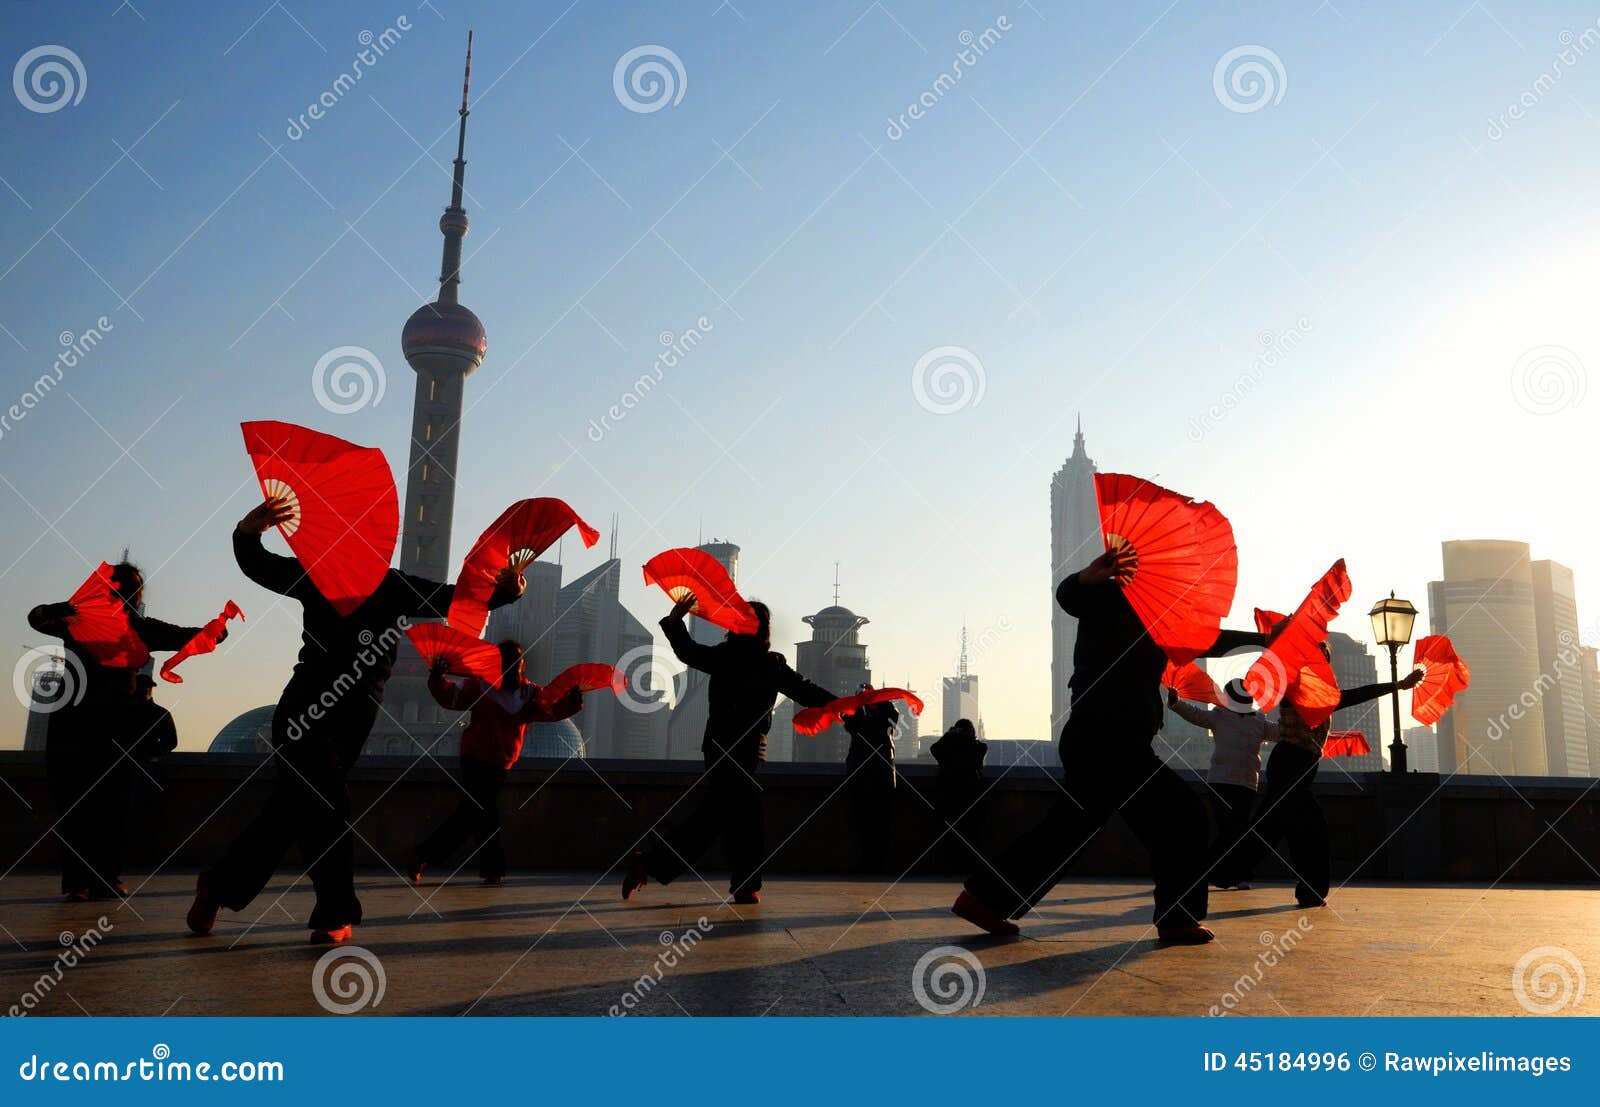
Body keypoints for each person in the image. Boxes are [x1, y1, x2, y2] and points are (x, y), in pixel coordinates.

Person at [187, 492, 523, 944]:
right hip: (306, 709)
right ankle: (334, 909)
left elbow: (455, 598)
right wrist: (249, 530)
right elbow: (259, 565)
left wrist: (504, 591)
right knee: (328, 803)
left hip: (355, 716)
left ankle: (220, 885)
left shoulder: (393, 585)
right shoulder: (317, 574)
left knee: (287, 812)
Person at [952, 550, 1266, 943]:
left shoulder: (1159, 618)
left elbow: (1206, 639)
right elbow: (1069, 597)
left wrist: (1265, 639)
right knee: (1182, 815)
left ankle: (983, 899)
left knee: (1070, 829)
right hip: (1109, 739)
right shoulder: (1113, 595)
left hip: (1104, 740)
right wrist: (1088, 576)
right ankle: (1177, 918)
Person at [623, 595, 834, 905]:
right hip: (744, 752)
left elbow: (688, 652)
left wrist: (675, 620)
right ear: (765, 630)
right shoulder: (770, 664)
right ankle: (742, 884)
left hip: (720, 749)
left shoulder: (726, 656)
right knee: (743, 817)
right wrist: (842, 705)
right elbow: (805, 690)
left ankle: (653, 863)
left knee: (716, 817)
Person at [28, 562, 207, 902]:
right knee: (77, 804)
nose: (132, 593)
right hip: (75, 724)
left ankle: (106, 877)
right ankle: (80, 881)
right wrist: (55, 610)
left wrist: (213, 630)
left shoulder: (141, 627)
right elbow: (36, 618)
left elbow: (184, 635)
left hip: (119, 726)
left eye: (136, 588)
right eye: (126, 586)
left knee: (115, 804)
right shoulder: (77, 619)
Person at [1217, 646, 1422, 908]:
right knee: (1304, 827)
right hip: (1289, 763)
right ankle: (1298, 888)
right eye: (1317, 659)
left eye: (1325, 660)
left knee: (1280, 825)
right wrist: (1396, 685)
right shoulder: (1294, 687)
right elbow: (1347, 697)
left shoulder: (1318, 692)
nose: (1322, 664)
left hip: (1301, 764)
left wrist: (1398, 685)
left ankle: (1227, 872)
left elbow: (1347, 697)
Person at [408, 641, 583, 886]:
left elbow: (552, 710)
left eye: (516, 662)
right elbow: (451, 698)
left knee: (473, 812)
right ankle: (490, 869)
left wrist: (573, 702)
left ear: (522, 667)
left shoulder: (530, 694)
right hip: (475, 757)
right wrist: (437, 678)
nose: (512, 667)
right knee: (483, 811)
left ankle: (423, 855)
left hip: (500, 763)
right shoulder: (480, 686)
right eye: (508, 661)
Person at [1165, 679, 1279, 890]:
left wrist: (1302, 725)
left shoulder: (1256, 721)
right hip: (1225, 783)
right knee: (1231, 830)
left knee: (1236, 831)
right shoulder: (1226, 717)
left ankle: (1218, 874)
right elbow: (1196, 715)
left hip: (1240, 784)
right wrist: (1177, 703)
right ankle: (1231, 875)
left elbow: (1280, 732)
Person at [842, 686, 898, 873]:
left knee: (881, 822)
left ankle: (879, 863)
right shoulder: (857, 715)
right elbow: (851, 726)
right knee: (863, 823)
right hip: (861, 773)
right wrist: (858, 708)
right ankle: (867, 862)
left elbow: (890, 722)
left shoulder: (887, 711)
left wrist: (875, 707)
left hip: (880, 774)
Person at [929, 718, 988, 872]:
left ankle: (953, 867)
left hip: (950, 798)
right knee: (971, 836)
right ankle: (967, 867)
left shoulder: (955, 749)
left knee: (953, 836)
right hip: (970, 798)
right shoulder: (977, 747)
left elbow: (935, 749)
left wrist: (949, 736)